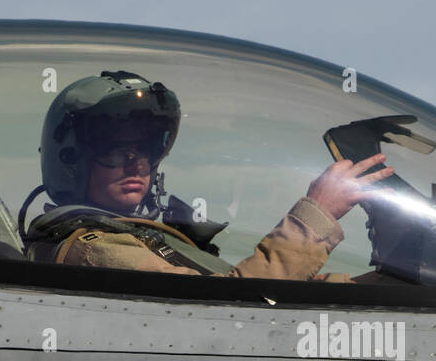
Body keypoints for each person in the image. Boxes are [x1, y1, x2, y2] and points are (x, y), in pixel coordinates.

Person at [24, 70, 392, 280]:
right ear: (72, 159)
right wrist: (317, 214)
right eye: (117, 150)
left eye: (146, 151)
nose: (137, 164)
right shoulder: (95, 251)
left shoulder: (142, 241)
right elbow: (233, 307)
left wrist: (380, 287)